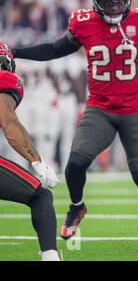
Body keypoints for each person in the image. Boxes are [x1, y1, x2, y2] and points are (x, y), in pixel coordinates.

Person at [11, 0, 138, 247]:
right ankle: (76, 206)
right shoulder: (84, 23)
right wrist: (14, 51)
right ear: (96, 1)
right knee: (74, 164)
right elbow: (54, 49)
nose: (116, 7)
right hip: (101, 109)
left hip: (133, 109)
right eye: (109, 2)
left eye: (120, 1)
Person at [0, 42, 60, 261]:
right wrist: (37, 161)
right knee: (41, 196)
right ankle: (50, 256)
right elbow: (9, 123)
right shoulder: (6, 79)